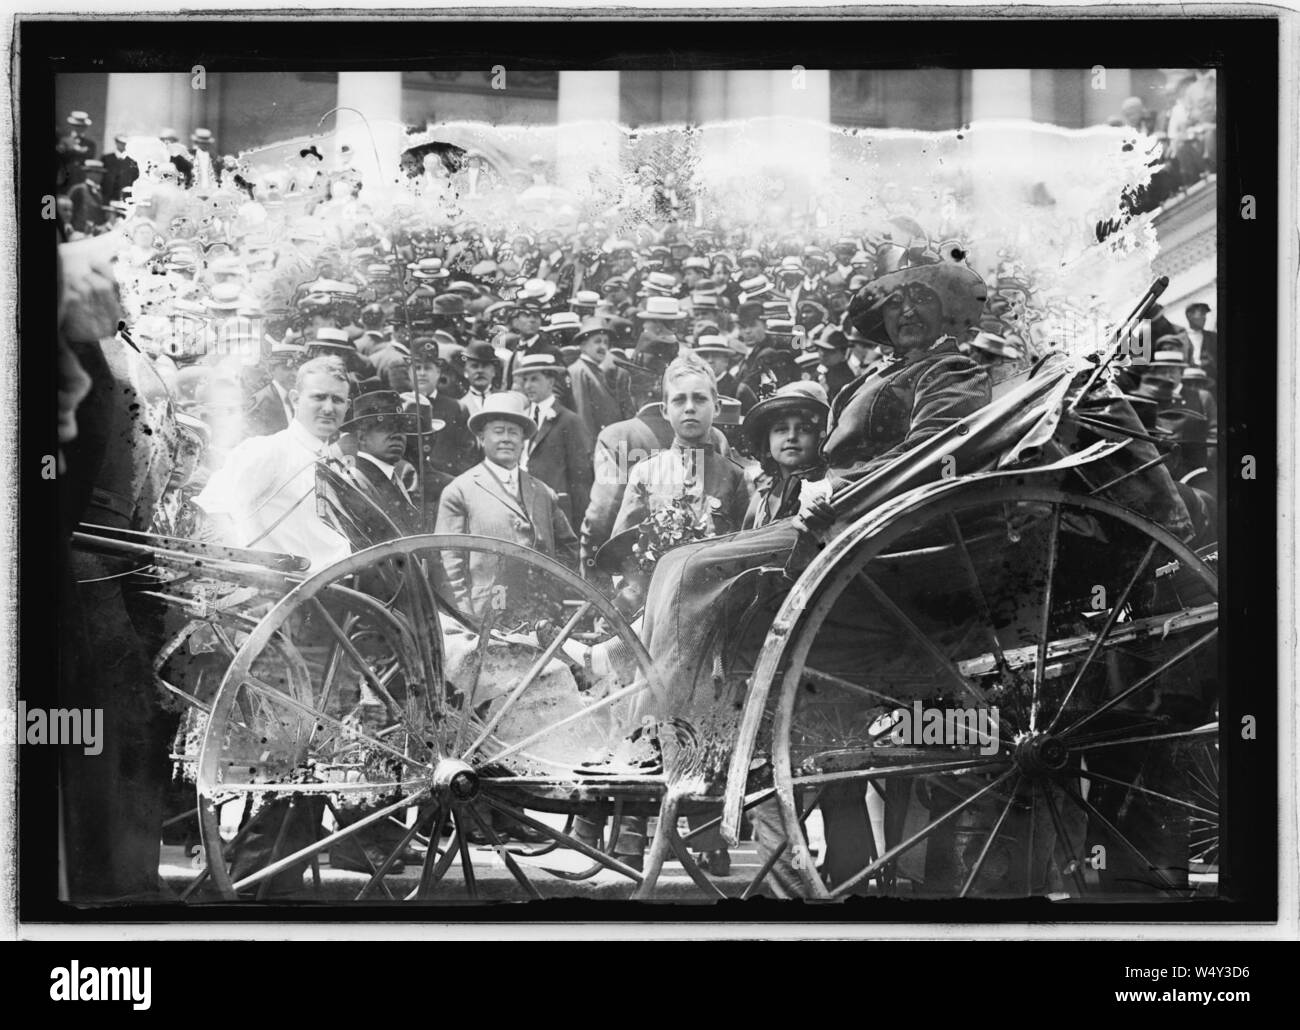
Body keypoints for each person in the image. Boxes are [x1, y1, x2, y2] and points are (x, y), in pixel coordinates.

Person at [194, 356, 352, 573]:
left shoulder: (337, 465)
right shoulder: (269, 450)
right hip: (280, 587)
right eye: (319, 397)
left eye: (337, 400)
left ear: (347, 406)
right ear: (295, 399)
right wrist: (247, 572)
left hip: (335, 586)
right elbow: (214, 508)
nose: (328, 408)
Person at [434, 392, 579, 617]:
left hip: (543, 616)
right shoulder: (460, 491)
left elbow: (568, 548)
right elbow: (450, 565)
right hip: (487, 616)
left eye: (513, 432)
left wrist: (554, 592)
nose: (506, 439)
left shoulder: (542, 491)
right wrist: (463, 621)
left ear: (523, 441)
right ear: (481, 437)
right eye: (498, 431)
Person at [342, 389, 444, 536]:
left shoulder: (395, 479)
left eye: (402, 427)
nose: (397, 435)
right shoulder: (356, 481)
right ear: (361, 437)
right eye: (385, 427)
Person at [513, 352, 594, 531]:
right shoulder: (521, 418)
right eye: (525, 379)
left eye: (534, 379)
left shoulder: (569, 420)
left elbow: (581, 477)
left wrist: (579, 524)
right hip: (524, 509)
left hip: (557, 511)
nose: (528, 385)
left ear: (550, 381)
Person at [567, 317, 630, 440]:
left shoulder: (598, 369)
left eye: (606, 342)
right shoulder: (579, 371)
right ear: (583, 345)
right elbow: (584, 415)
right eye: (597, 341)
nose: (603, 346)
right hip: (596, 443)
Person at [245, 339, 303, 437]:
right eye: (287, 368)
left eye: (297, 368)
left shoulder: (299, 399)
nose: (294, 373)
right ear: (272, 370)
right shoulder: (260, 402)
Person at [1183, 301, 1218, 382]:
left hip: (1211, 379)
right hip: (1188, 380)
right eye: (1201, 314)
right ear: (1189, 315)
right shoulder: (1181, 338)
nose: (1204, 318)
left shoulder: (1213, 337)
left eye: (1205, 314)